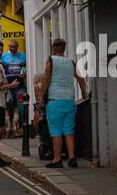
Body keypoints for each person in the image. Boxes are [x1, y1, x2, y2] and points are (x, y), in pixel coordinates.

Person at [35, 38, 89, 168]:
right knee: (69, 130)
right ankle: (72, 158)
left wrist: (41, 96)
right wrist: (84, 93)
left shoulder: (51, 61)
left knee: (56, 131)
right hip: (70, 100)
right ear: (63, 49)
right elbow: (81, 79)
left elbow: (46, 79)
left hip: (55, 101)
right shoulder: (71, 62)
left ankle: (57, 159)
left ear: (53, 48)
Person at [0, 39, 26, 138]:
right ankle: (10, 128)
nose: (13, 49)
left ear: (17, 47)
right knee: (9, 106)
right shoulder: (4, 57)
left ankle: (21, 127)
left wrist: (23, 72)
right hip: (8, 87)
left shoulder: (22, 55)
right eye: (11, 47)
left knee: (22, 107)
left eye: (15, 47)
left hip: (20, 85)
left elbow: (25, 66)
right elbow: (1, 69)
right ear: (8, 47)